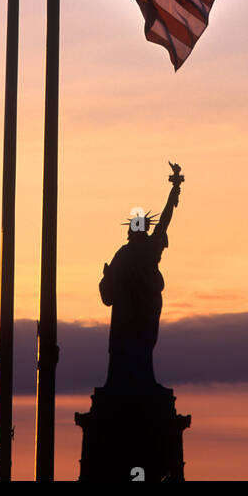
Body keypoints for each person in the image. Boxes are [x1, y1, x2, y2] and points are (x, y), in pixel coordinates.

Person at [99, 165, 183, 391]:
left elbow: (165, 219)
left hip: (139, 310)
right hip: (134, 310)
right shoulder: (133, 251)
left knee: (139, 345)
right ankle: (132, 381)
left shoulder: (137, 251)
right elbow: (109, 286)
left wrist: (174, 190)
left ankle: (139, 381)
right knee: (134, 346)